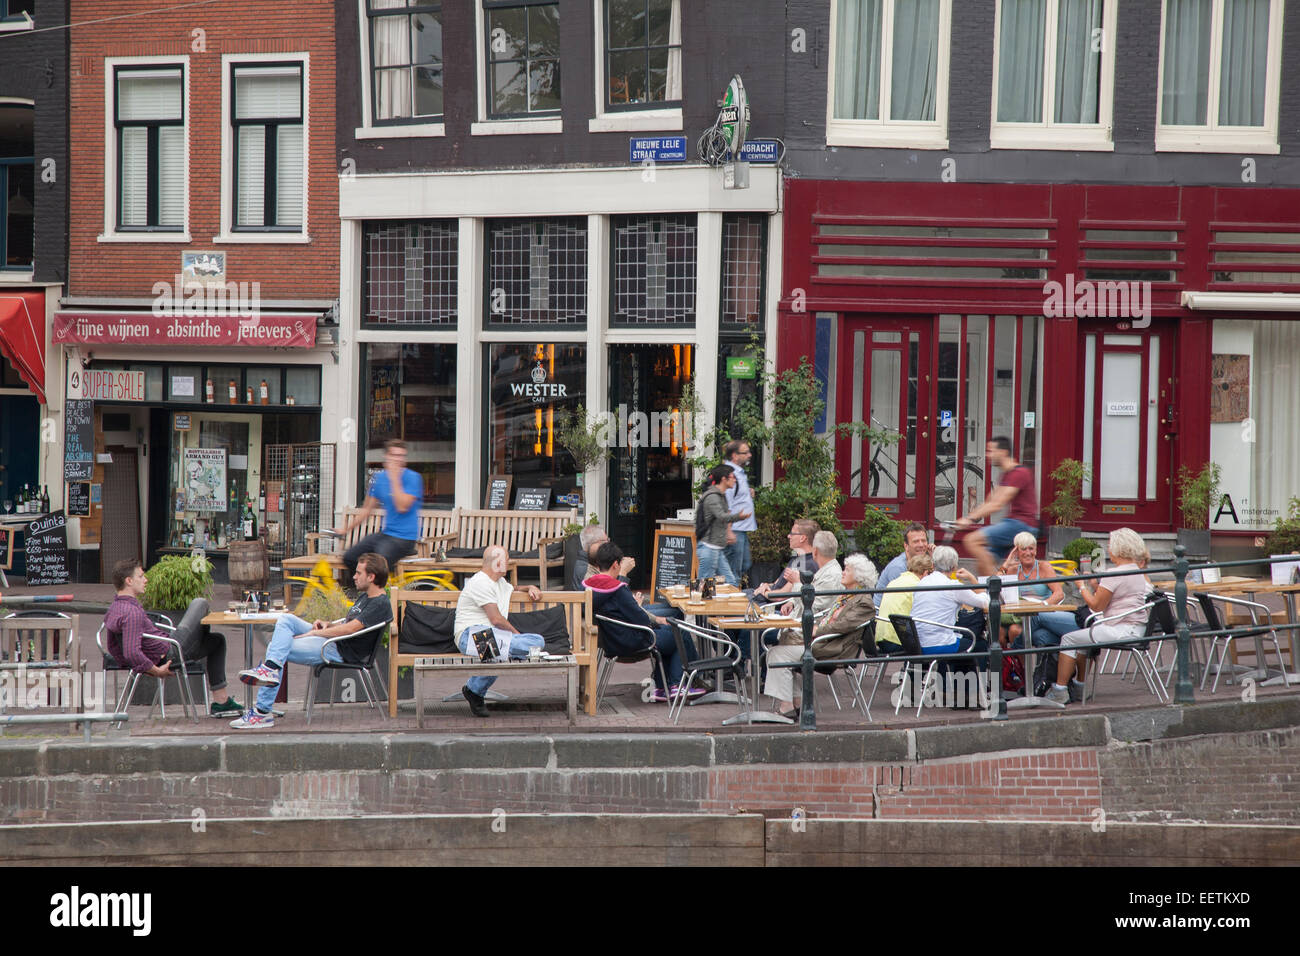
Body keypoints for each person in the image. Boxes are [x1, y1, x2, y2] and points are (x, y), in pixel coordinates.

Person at [233, 553, 393, 728]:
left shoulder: (379, 603)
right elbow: (349, 624)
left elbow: (350, 629)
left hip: (337, 651)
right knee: (286, 620)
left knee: (276, 647)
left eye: (358, 573)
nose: (354, 577)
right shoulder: (366, 597)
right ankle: (270, 670)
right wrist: (327, 624)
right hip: (335, 641)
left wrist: (317, 634)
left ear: (371, 577)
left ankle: (262, 711)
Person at [103, 558, 244, 718]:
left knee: (216, 641)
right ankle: (221, 702)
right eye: (141, 576)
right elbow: (131, 652)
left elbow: (113, 646)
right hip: (171, 652)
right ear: (129, 581)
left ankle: (222, 702)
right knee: (200, 603)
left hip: (167, 648)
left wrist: (131, 664)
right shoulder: (131, 612)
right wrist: (155, 670)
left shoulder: (115, 608)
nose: (146, 579)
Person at [1045, 528, 1152, 705]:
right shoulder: (1136, 570)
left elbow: (1096, 605)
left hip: (1119, 629)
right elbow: (1117, 596)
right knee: (1083, 640)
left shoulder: (1113, 573)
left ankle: (1060, 691)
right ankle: (1080, 687)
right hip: (1138, 628)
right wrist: (1095, 585)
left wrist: (1081, 586)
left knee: (1069, 639)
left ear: (1117, 549)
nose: (1108, 548)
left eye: (1110, 545)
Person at [764, 552, 876, 718]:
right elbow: (829, 619)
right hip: (822, 642)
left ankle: (788, 707)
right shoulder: (845, 596)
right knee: (780, 647)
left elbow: (843, 626)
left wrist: (817, 630)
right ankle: (795, 702)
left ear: (859, 577)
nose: (843, 572)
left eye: (847, 570)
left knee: (778, 654)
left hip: (833, 649)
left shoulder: (863, 601)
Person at [584, 541, 699, 704]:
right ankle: (677, 685)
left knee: (670, 632)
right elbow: (642, 619)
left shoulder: (591, 585)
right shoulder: (617, 588)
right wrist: (639, 608)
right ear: (616, 564)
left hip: (611, 640)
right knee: (679, 632)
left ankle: (662, 687)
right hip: (631, 641)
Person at [453, 545, 546, 717]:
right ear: (497, 563)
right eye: (507, 559)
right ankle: (475, 691)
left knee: (536, 642)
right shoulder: (480, 582)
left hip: (492, 636)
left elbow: (514, 588)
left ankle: (474, 690)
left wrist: (530, 587)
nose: (509, 562)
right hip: (470, 635)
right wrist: (516, 636)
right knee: (525, 646)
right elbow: (496, 619)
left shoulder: (499, 582)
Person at [336, 438, 424, 576]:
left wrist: (394, 478)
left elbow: (402, 507)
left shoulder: (413, 478)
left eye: (402, 456)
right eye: (395, 455)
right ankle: (362, 594)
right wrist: (345, 529)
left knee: (377, 564)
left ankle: (382, 595)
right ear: (387, 457)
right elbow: (366, 510)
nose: (398, 459)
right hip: (386, 534)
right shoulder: (380, 479)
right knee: (350, 557)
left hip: (404, 538)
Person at [955, 437, 1038, 577]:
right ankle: (991, 590)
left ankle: (996, 590)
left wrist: (968, 519)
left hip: (1022, 525)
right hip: (1012, 523)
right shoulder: (1007, 474)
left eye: (991, 451)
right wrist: (966, 519)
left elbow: (998, 504)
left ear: (1003, 452)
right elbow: (989, 501)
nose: (988, 454)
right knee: (983, 563)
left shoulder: (1019, 473)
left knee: (971, 540)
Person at [996, 531, 1076, 650]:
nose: (1028, 553)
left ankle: (1022, 668)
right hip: (1017, 616)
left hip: (1039, 616)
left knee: (1014, 631)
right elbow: (995, 587)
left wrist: (1042, 606)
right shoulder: (1012, 570)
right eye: (1023, 549)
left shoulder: (1043, 567)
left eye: (1031, 549)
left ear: (1036, 550)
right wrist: (1006, 564)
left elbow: (1059, 594)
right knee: (998, 631)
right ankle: (1010, 666)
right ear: (1017, 552)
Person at [910, 546, 990, 653]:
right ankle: (964, 670)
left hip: (917, 645)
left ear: (933, 565)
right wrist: (972, 578)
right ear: (954, 568)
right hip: (940, 644)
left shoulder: (922, 583)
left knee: (959, 640)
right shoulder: (953, 586)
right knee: (981, 645)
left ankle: (947, 669)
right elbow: (985, 602)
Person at [695, 464, 749, 587]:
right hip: (709, 547)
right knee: (703, 586)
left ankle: (723, 605)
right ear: (724, 479)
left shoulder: (720, 495)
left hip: (715, 547)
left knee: (731, 582)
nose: (735, 480)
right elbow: (721, 516)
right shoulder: (713, 497)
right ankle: (699, 605)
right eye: (732, 477)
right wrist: (739, 517)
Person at [874, 551, 933, 652]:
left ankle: (913, 667)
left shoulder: (895, 581)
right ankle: (917, 668)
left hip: (881, 639)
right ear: (926, 573)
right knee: (936, 647)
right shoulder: (918, 586)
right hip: (897, 641)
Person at [753, 518, 820, 599]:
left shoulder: (807, 564)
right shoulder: (797, 558)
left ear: (802, 538)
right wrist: (765, 585)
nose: (789, 536)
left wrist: (762, 593)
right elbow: (777, 584)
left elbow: (781, 596)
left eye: (792, 533)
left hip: (770, 605)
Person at [722, 440, 756, 583]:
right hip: (735, 529)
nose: (749, 455)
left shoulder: (739, 473)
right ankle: (730, 602)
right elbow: (727, 504)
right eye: (745, 452)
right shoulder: (730, 475)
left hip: (742, 529)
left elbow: (736, 497)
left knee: (745, 565)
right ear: (735, 455)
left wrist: (748, 494)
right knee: (733, 573)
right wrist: (728, 531)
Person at [877, 522, 933, 591]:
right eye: (916, 541)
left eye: (924, 540)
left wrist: (934, 558)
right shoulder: (898, 568)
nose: (921, 545)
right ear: (906, 546)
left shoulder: (922, 562)